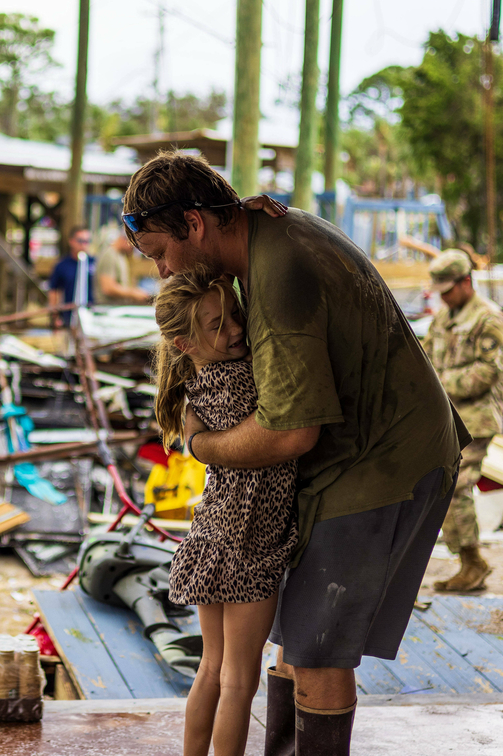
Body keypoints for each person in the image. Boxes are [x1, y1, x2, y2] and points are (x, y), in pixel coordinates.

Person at [122, 152, 466, 755]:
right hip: (344, 458)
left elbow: (290, 435)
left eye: (159, 253)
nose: (162, 270)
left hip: (381, 460)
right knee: (292, 639)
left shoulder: (278, 276)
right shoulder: (262, 231)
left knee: (316, 651)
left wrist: (202, 446)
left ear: (195, 224)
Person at [154, 267, 298, 756]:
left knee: (211, 669)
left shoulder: (198, 382)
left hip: (211, 533)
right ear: (184, 343)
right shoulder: (245, 379)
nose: (236, 329)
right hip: (249, 539)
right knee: (239, 679)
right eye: (218, 325)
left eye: (236, 314)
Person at [421, 250, 503, 592]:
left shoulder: (489, 318)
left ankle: (472, 562)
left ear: (466, 282)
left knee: (456, 487)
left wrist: (438, 383)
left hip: (476, 419)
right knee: (443, 487)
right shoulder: (443, 319)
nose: (442, 297)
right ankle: (469, 560)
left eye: (447, 290)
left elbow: (488, 371)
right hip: (448, 418)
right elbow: (425, 355)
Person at [47, 227, 95, 327]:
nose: (83, 245)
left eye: (87, 241)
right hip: (68, 315)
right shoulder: (62, 265)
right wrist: (55, 316)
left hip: (92, 314)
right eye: (80, 241)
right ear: (72, 241)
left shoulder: (94, 263)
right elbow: (54, 291)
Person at [96, 228, 152, 305]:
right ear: (126, 239)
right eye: (133, 245)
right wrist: (133, 293)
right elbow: (108, 288)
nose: (133, 249)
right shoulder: (109, 256)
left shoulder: (120, 256)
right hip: (107, 307)